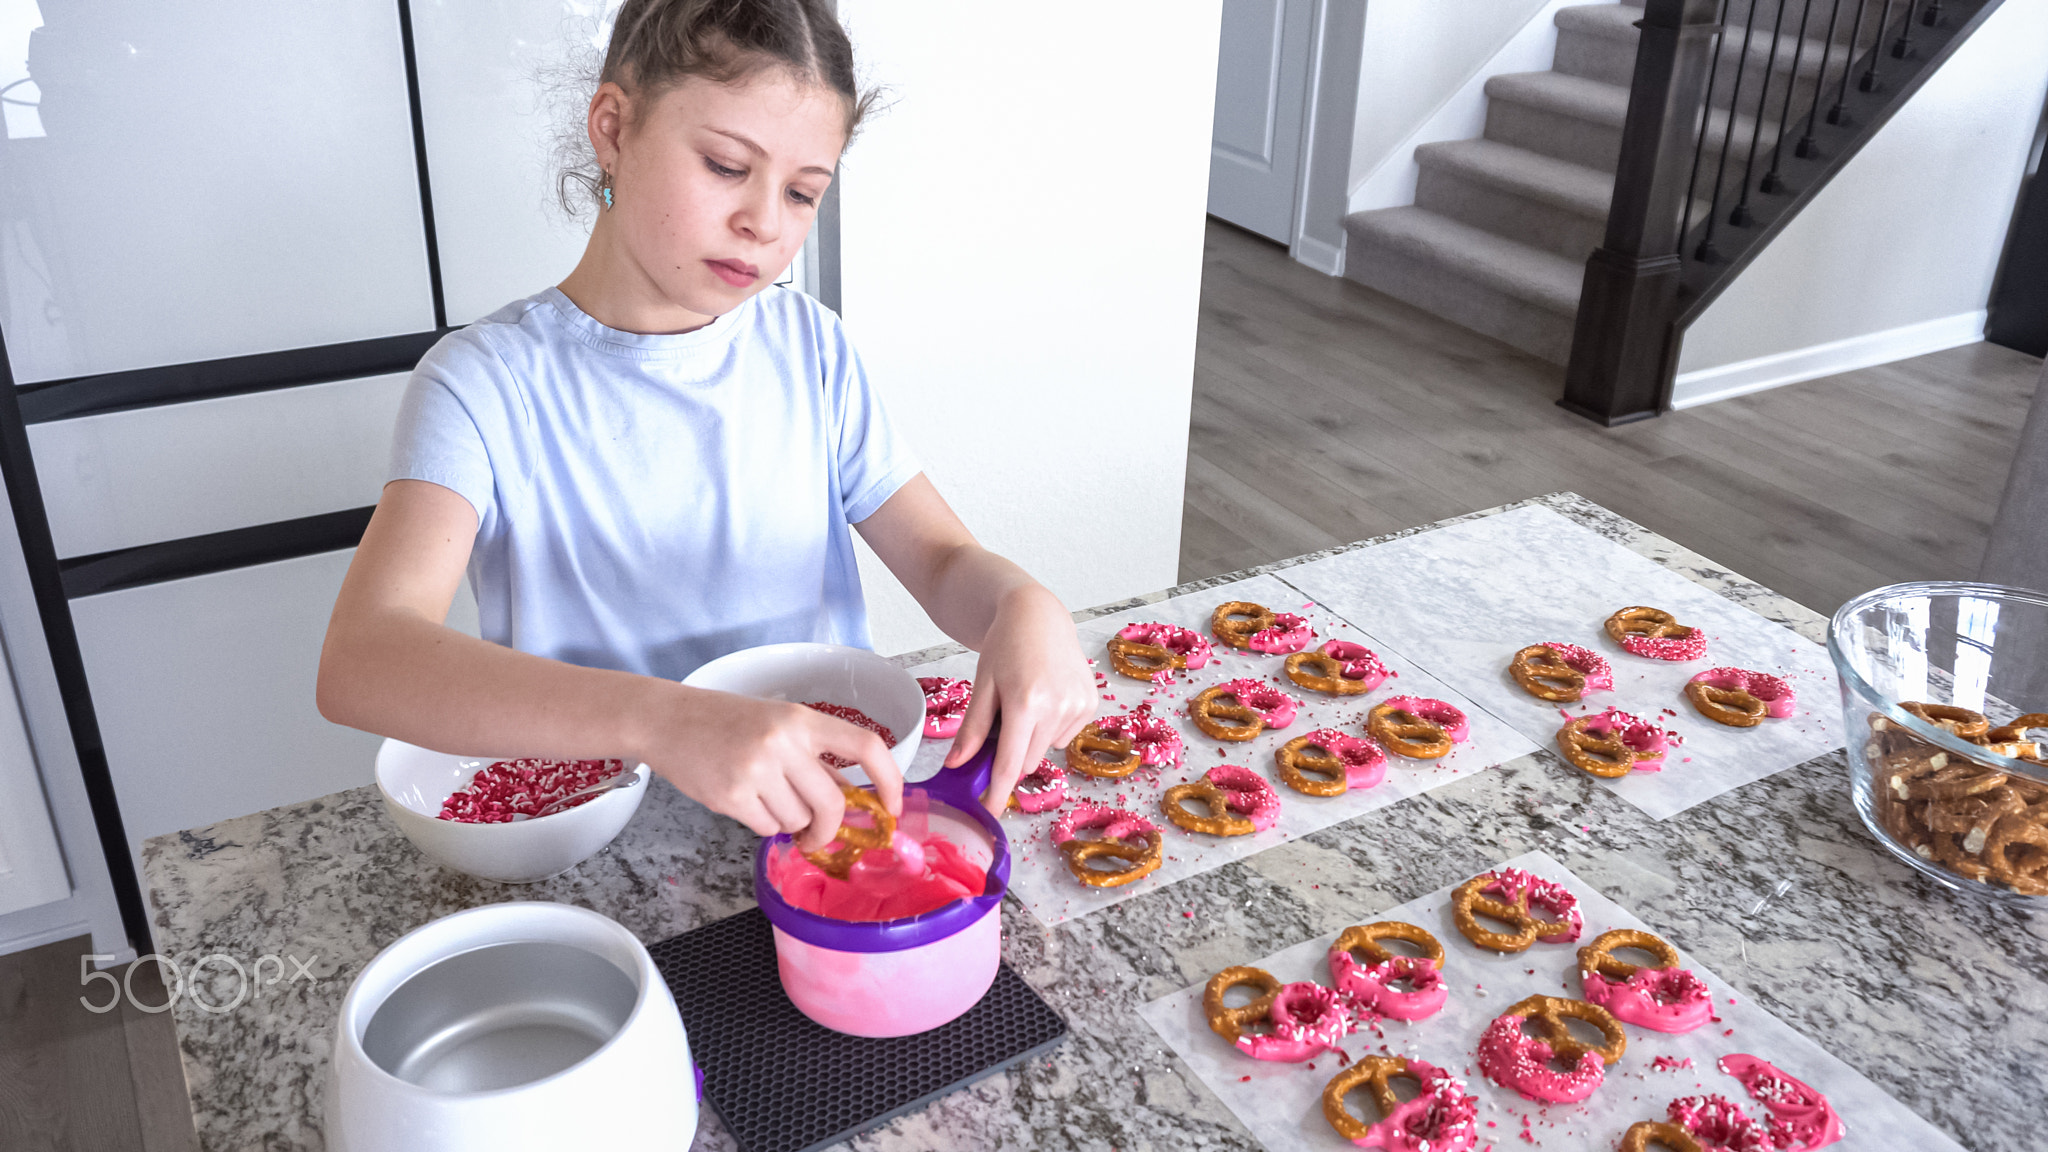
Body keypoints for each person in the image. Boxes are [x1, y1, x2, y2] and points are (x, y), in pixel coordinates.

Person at [317, 0, 1095, 851]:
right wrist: (668, 721)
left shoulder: (813, 349)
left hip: (825, 823)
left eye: (803, 193)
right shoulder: (483, 385)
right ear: (613, 128)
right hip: (605, 842)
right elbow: (365, 659)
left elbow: (944, 562)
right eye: (727, 166)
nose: (765, 221)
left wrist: (1022, 604)